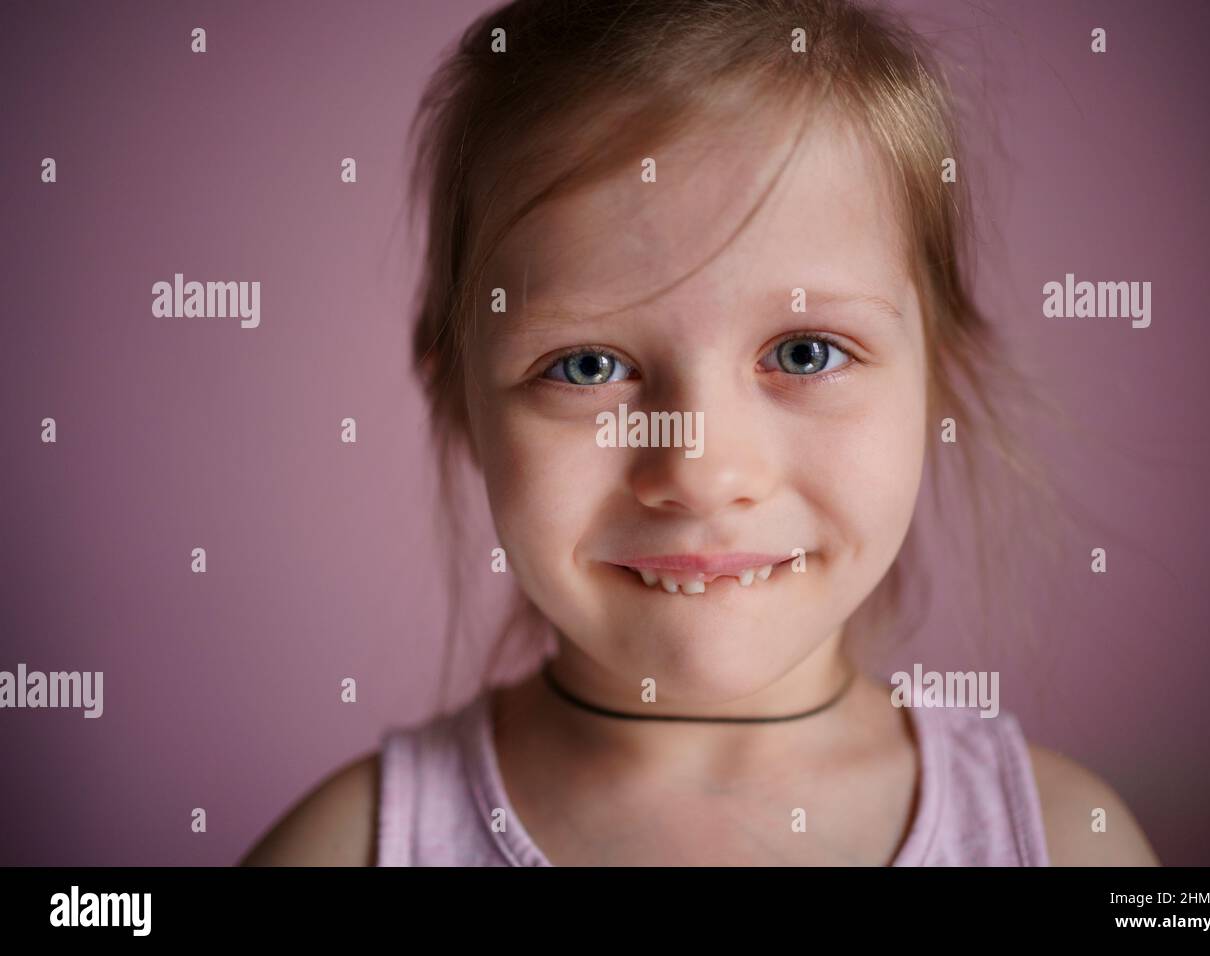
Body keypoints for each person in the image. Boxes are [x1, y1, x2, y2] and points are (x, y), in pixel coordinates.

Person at [242, 0, 1159, 867]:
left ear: (936, 379)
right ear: (461, 413)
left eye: (805, 352)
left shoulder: (1062, 842)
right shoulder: (351, 849)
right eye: (587, 366)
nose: (702, 471)